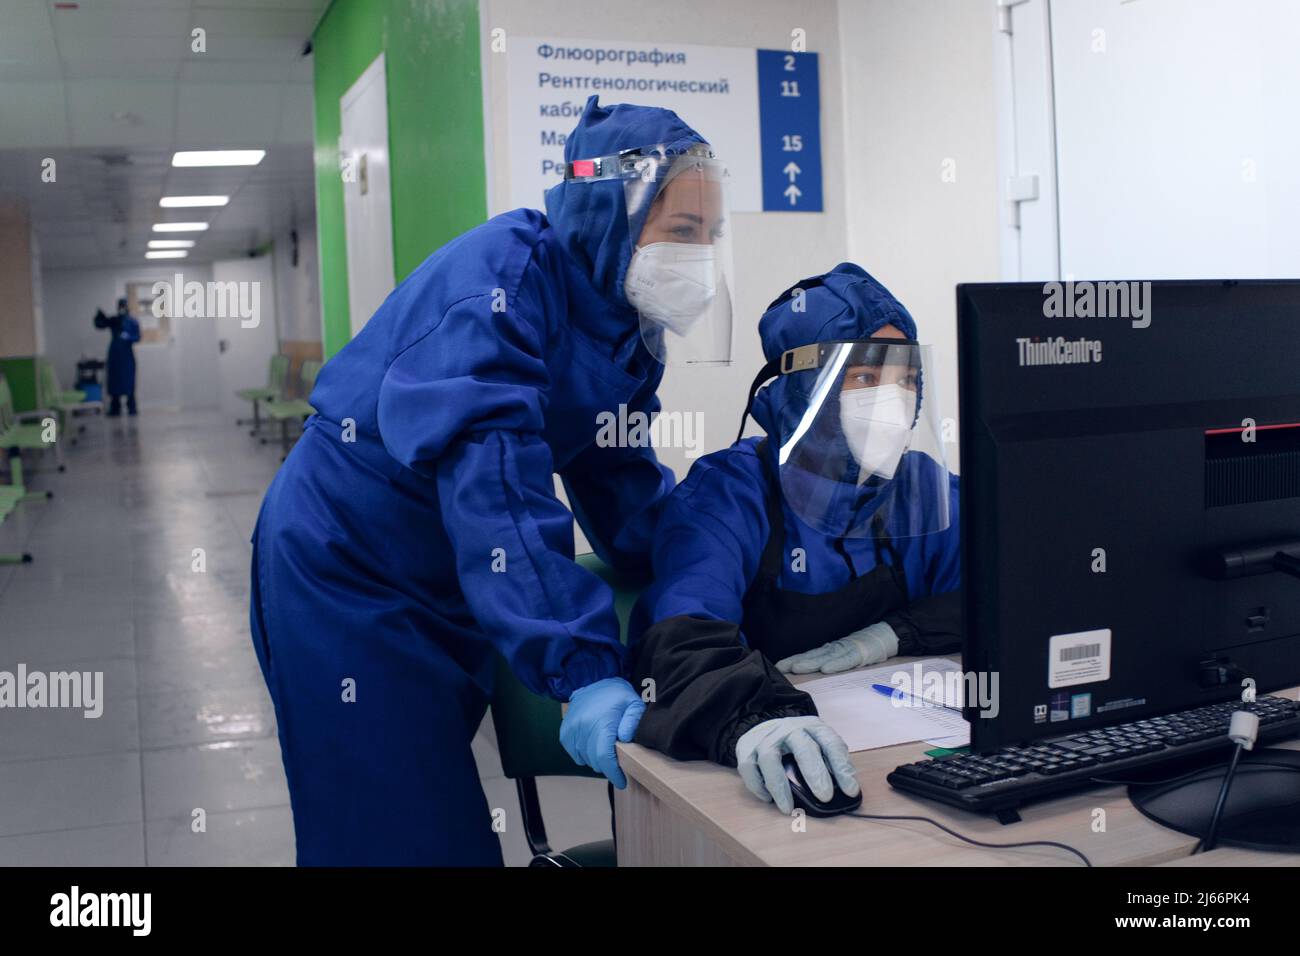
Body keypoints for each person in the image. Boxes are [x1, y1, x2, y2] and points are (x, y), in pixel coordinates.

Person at [249, 95, 735, 864]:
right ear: (607, 210)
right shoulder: (499, 289)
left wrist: (710, 562)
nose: (699, 256)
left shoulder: (621, 315)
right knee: (400, 834)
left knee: (433, 794)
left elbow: (619, 483)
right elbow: (498, 495)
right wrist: (582, 667)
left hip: (443, 568)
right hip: (346, 567)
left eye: (710, 235)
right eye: (681, 231)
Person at [627, 263, 961, 815]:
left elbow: (1012, 585)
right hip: (764, 777)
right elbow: (680, 637)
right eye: (863, 378)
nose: (893, 400)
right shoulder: (727, 494)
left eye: (906, 379)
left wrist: (895, 634)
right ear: (802, 390)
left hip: (904, 760)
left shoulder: (923, 486)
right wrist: (757, 722)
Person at [94, 298, 140, 416]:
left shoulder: (133, 321)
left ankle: (131, 407)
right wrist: (99, 316)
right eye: (120, 306)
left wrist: (128, 337)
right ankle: (115, 407)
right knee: (114, 381)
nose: (122, 308)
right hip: (115, 354)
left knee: (128, 381)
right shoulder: (115, 320)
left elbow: (137, 337)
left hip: (127, 356)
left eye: (123, 306)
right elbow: (101, 324)